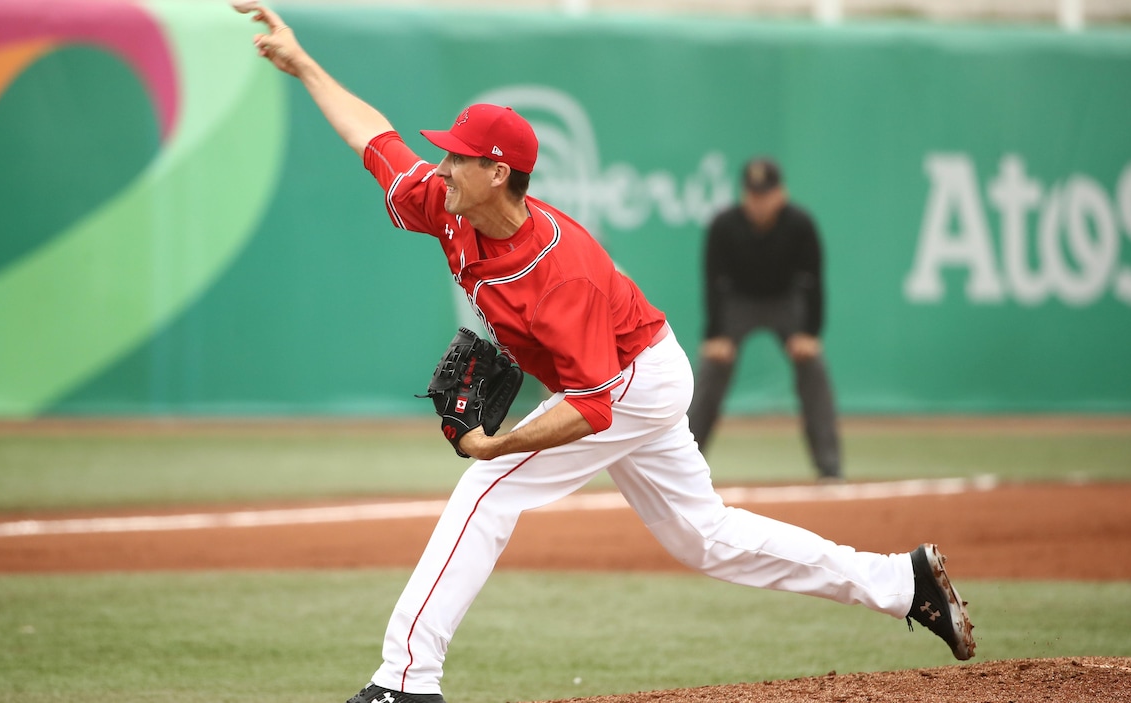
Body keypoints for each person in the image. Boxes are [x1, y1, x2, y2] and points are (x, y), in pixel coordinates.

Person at [234, 6, 975, 703]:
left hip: (631, 380)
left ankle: (404, 679)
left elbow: (594, 408)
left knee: (489, 489)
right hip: (632, 372)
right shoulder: (449, 206)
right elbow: (376, 141)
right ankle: (903, 582)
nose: (443, 164)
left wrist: (498, 444)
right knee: (705, 538)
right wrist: (303, 65)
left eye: (458, 155)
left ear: (498, 174)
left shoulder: (563, 273)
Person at [687, 157, 843, 480]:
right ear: (744, 194)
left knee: (813, 368)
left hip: (785, 301)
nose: (759, 202)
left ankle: (830, 467)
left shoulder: (801, 225)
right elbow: (714, 282)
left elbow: (813, 281)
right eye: (753, 194)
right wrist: (715, 334)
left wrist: (810, 332)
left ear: (781, 194)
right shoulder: (724, 226)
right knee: (712, 368)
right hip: (738, 303)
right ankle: (683, 465)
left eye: (766, 194)